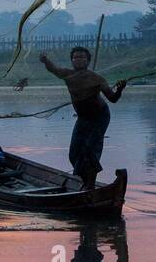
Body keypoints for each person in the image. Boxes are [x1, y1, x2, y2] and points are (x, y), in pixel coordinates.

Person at [39, 47, 126, 189]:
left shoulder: (96, 78)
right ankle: (85, 179)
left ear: (88, 60)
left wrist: (120, 89)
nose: (78, 60)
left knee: (90, 149)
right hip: (83, 117)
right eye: (75, 57)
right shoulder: (67, 74)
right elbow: (53, 69)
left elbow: (113, 98)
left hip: (100, 116)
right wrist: (45, 60)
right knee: (74, 152)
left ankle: (90, 184)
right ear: (72, 60)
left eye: (82, 57)